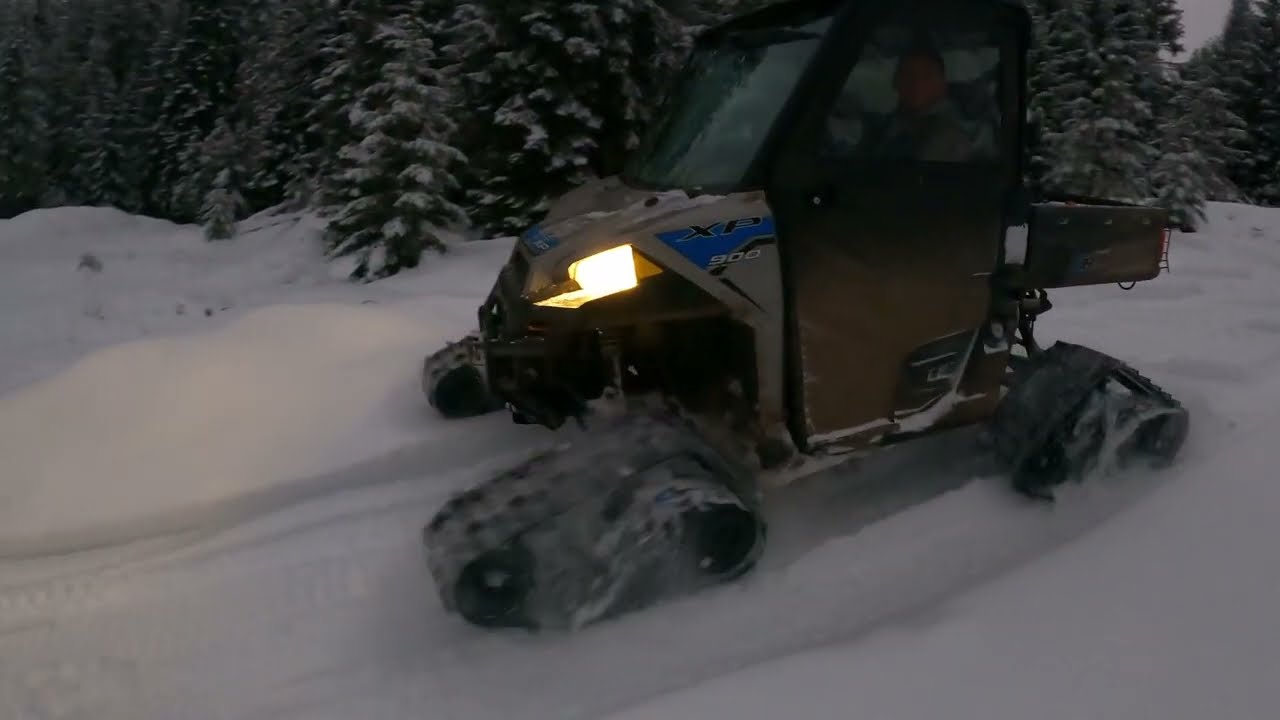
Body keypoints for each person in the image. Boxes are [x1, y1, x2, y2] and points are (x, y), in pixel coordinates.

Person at [878, 43, 980, 162]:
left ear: (943, 85)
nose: (917, 83)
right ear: (896, 81)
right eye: (908, 74)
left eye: (928, 75)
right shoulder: (882, 126)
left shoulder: (951, 136)